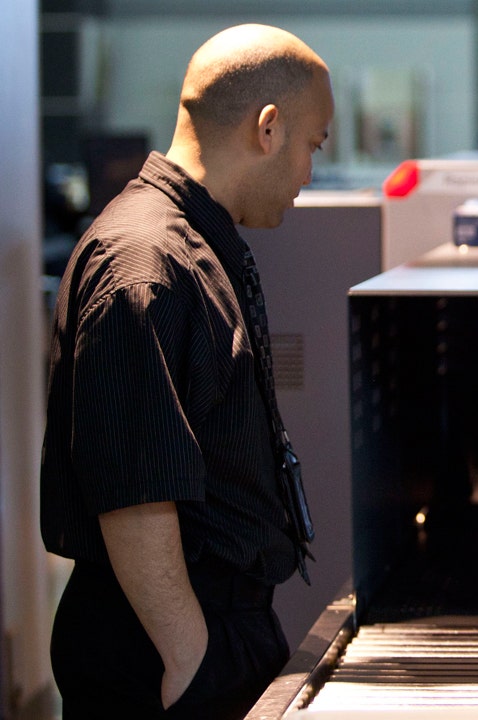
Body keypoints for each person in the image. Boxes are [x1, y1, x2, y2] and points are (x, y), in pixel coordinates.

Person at [41, 23, 333, 719]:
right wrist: (189, 660)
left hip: (205, 627)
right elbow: (134, 491)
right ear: (268, 128)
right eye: (313, 145)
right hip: (166, 646)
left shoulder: (190, 242)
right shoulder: (146, 263)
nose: (309, 174)